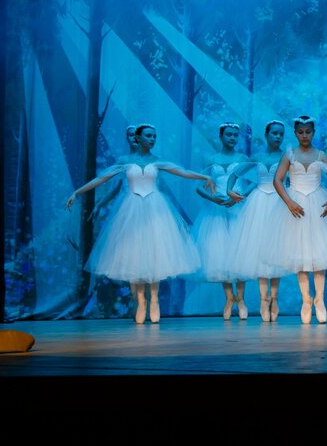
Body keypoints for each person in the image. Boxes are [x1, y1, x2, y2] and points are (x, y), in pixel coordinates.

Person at [65, 124, 214, 324]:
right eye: (149, 136)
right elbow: (102, 178)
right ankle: (141, 300)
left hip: (156, 210)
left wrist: (203, 176)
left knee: (156, 253)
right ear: (138, 138)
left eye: (155, 136)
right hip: (131, 210)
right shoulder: (125, 161)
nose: (153, 139)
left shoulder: (157, 161)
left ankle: (154, 300)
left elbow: (183, 171)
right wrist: (78, 192)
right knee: (133, 253)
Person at [264, 116, 327, 324]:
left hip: (318, 205)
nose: (305, 135)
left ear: (313, 132)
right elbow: (277, 180)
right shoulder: (289, 155)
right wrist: (289, 202)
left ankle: (319, 300)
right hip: (296, 206)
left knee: (319, 256)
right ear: (295, 133)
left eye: (308, 132)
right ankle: (306, 299)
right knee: (300, 256)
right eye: (301, 132)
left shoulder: (321, 155)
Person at [225, 120, 288, 322]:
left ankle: (275, 298)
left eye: (281, 134)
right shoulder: (257, 157)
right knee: (260, 247)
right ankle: (263, 298)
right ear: (267, 135)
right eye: (274, 133)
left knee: (278, 249)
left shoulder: (287, 157)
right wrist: (229, 190)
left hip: (280, 203)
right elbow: (234, 174)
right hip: (259, 202)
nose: (278, 137)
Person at [192, 122, 249, 320]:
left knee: (240, 253)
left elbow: (253, 182)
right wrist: (212, 198)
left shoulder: (242, 158)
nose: (232, 138)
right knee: (220, 253)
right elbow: (199, 186)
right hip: (216, 211)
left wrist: (238, 196)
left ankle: (241, 299)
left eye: (235, 135)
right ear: (221, 136)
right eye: (229, 135)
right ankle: (229, 298)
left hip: (237, 209)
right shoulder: (211, 159)